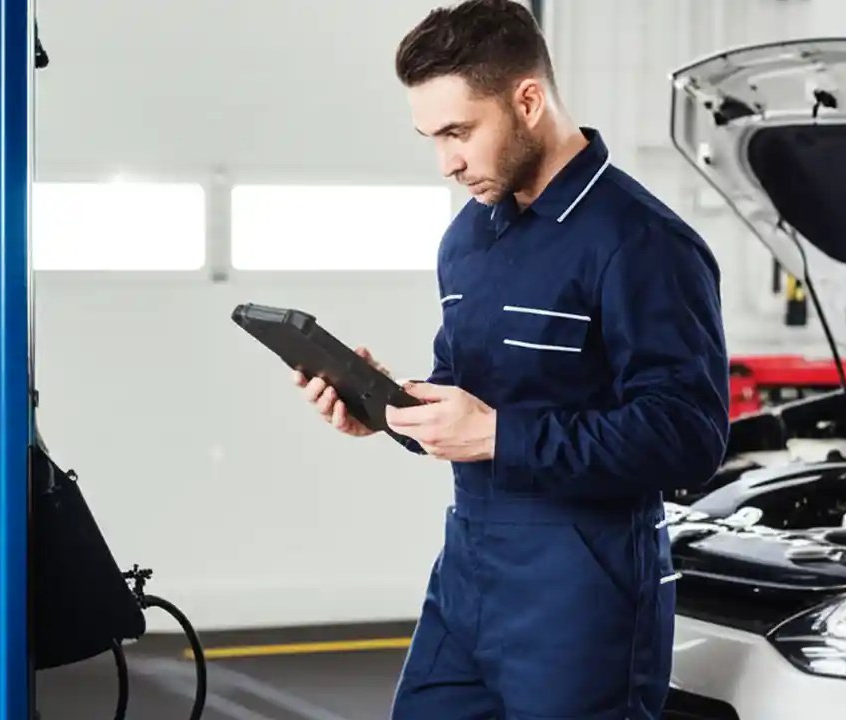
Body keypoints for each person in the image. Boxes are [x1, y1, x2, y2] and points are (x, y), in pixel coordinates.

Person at [294, 1, 730, 717]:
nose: (447, 163)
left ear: (527, 100)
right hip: (467, 571)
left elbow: (688, 436)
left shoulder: (643, 242)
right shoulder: (467, 239)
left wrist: (500, 434)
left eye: (459, 132)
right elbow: (463, 394)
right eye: (430, 137)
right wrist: (383, 407)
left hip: (586, 590)